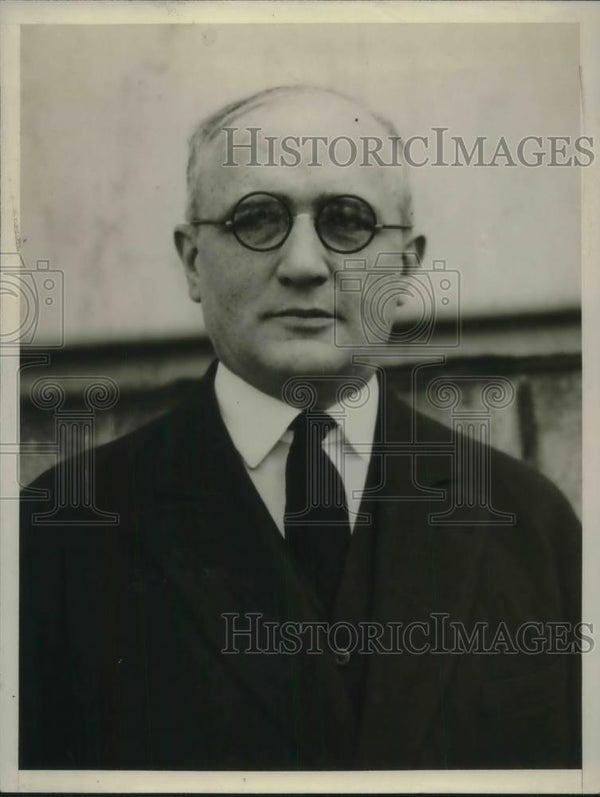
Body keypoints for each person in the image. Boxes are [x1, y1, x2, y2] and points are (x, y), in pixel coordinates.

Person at [20, 85, 581, 770]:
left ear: (406, 265)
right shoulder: (58, 531)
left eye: (348, 220)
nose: (305, 265)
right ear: (193, 261)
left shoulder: (531, 525)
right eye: (257, 218)